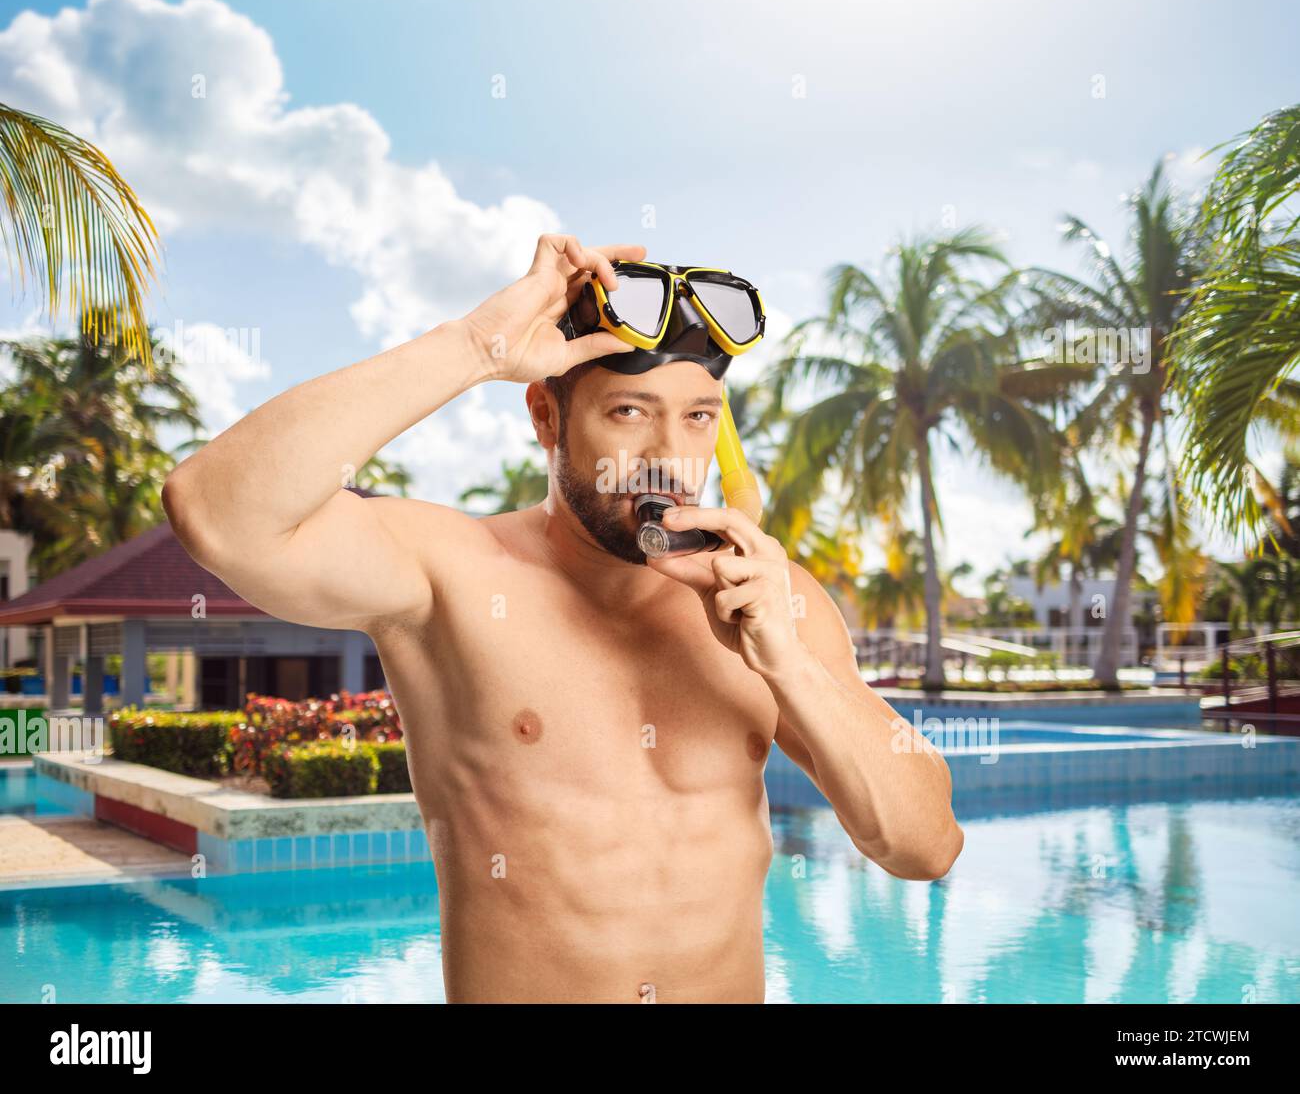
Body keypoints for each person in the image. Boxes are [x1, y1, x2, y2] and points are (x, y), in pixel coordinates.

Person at [162, 233, 964, 1003]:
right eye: (628, 411)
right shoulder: (453, 574)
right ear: (546, 418)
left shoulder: (766, 600)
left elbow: (926, 845)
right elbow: (215, 511)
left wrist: (786, 661)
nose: (666, 453)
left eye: (696, 417)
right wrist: (477, 344)